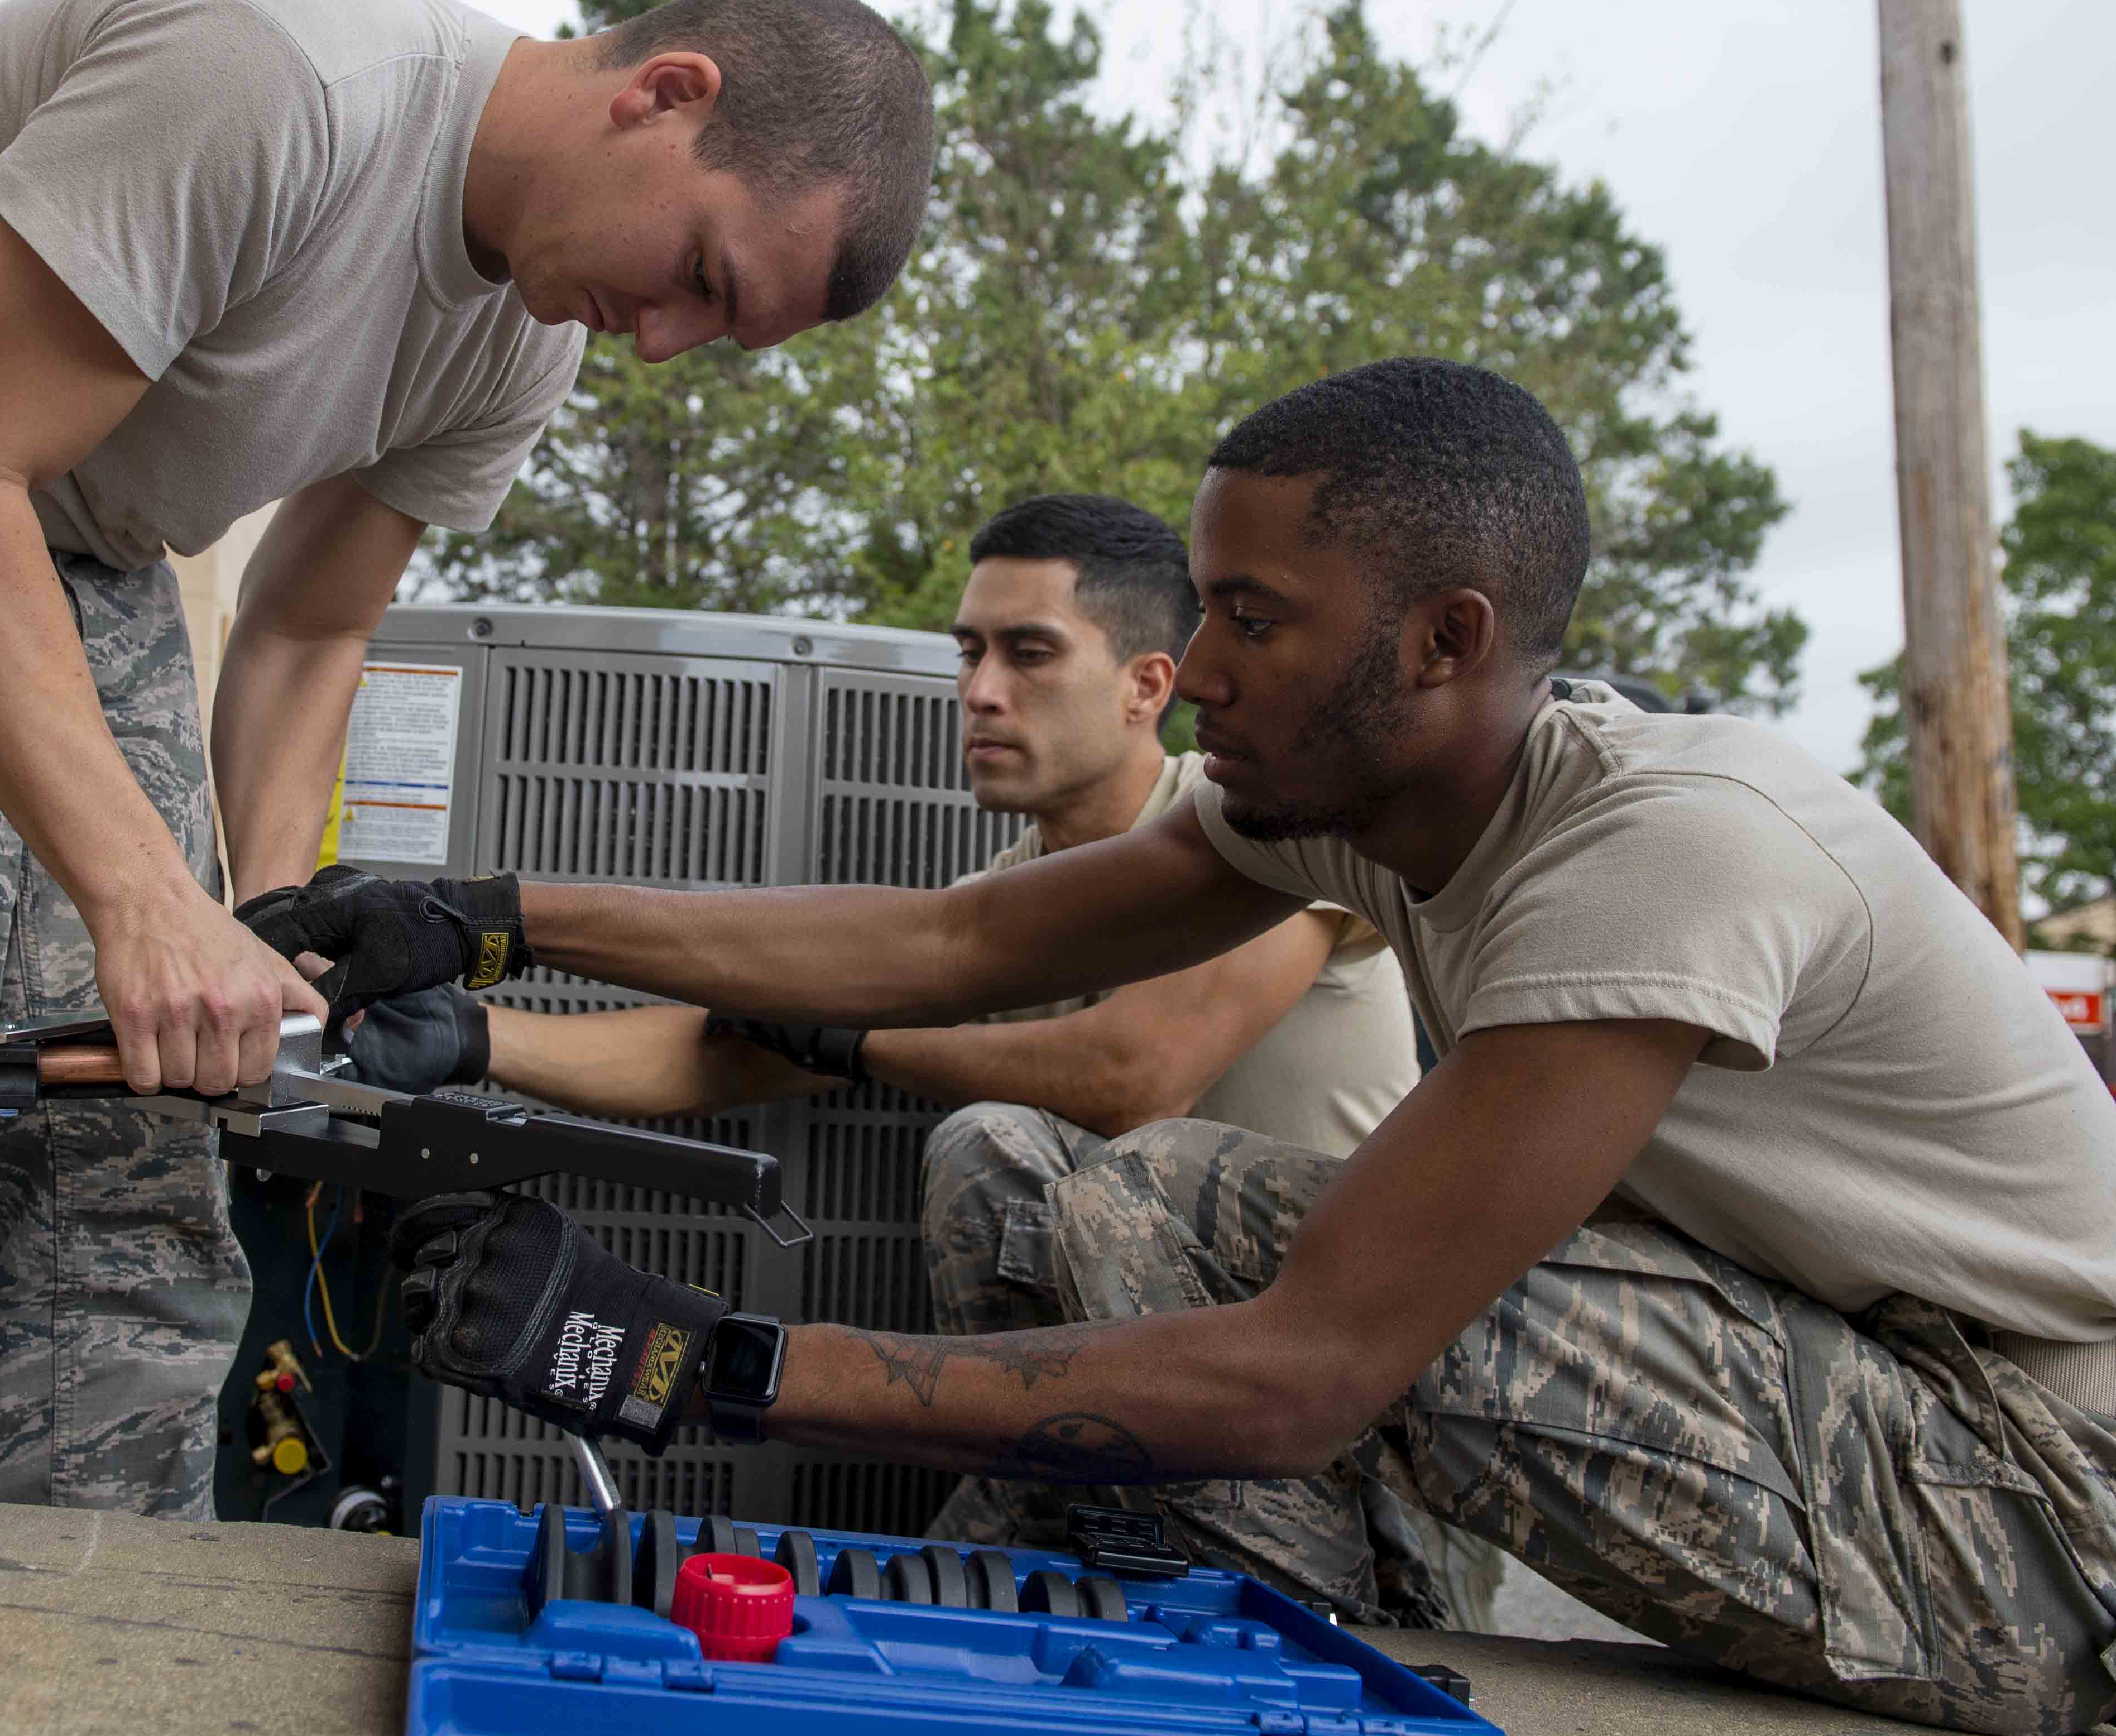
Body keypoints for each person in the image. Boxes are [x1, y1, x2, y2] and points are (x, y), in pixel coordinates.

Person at [250, 359, 2116, 1736]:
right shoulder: (1340, 803)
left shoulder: (1664, 854)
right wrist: (499, 913)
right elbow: (953, 940)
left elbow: (1310, 1369)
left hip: (2031, 1516)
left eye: (1247, 620)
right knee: (1056, 1181)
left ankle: (1259, 1637)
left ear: (1445, 640)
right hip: (1840, 1403)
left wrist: (690, 1363)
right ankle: (1190, 1650)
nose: (1189, 672)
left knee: (1330, 1269)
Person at [0, 0, 934, 1517]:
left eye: (719, 334)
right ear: (664, 95)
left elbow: (309, 624)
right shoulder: (286, 70)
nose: (667, 338)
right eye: (700, 276)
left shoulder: (524, 332)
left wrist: (268, 940)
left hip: (86, 553)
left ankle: (72, 1705)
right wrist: (145, 896)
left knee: (130, 1192)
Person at [353, 492, 1481, 1624]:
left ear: (1150, 683)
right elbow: (741, 1052)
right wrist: (477, 1036)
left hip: (1354, 1419)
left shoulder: (1269, 833)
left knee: (994, 1139)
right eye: (971, 651)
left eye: (1029, 652)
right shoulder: (1007, 899)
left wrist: (855, 1028)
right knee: (996, 1148)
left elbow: (1137, 1072)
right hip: (1141, 1407)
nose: (982, 690)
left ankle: (1308, 1605)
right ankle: (1059, 1531)